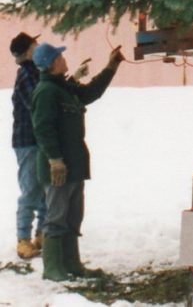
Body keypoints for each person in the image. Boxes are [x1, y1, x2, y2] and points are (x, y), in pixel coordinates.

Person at [30, 40, 124, 282]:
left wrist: (110, 67)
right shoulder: (47, 92)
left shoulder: (63, 87)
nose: (63, 59)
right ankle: (52, 269)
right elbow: (43, 129)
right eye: (59, 57)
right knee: (56, 217)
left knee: (73, 217)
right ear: (51, 64)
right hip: (59, 168)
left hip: (74, 165)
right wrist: (55, 160)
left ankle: (72, 264)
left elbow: (91, 93)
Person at [9, 31, 45, 260]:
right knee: (31, 188)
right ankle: (23, 239)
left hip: (38, 140)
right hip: (28, 141)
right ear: (29, 51)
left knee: (45, 188)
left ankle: (42, 234)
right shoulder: (27, 75)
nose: (39, 46)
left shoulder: (36, 72)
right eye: (35, 44)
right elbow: (39, 103)